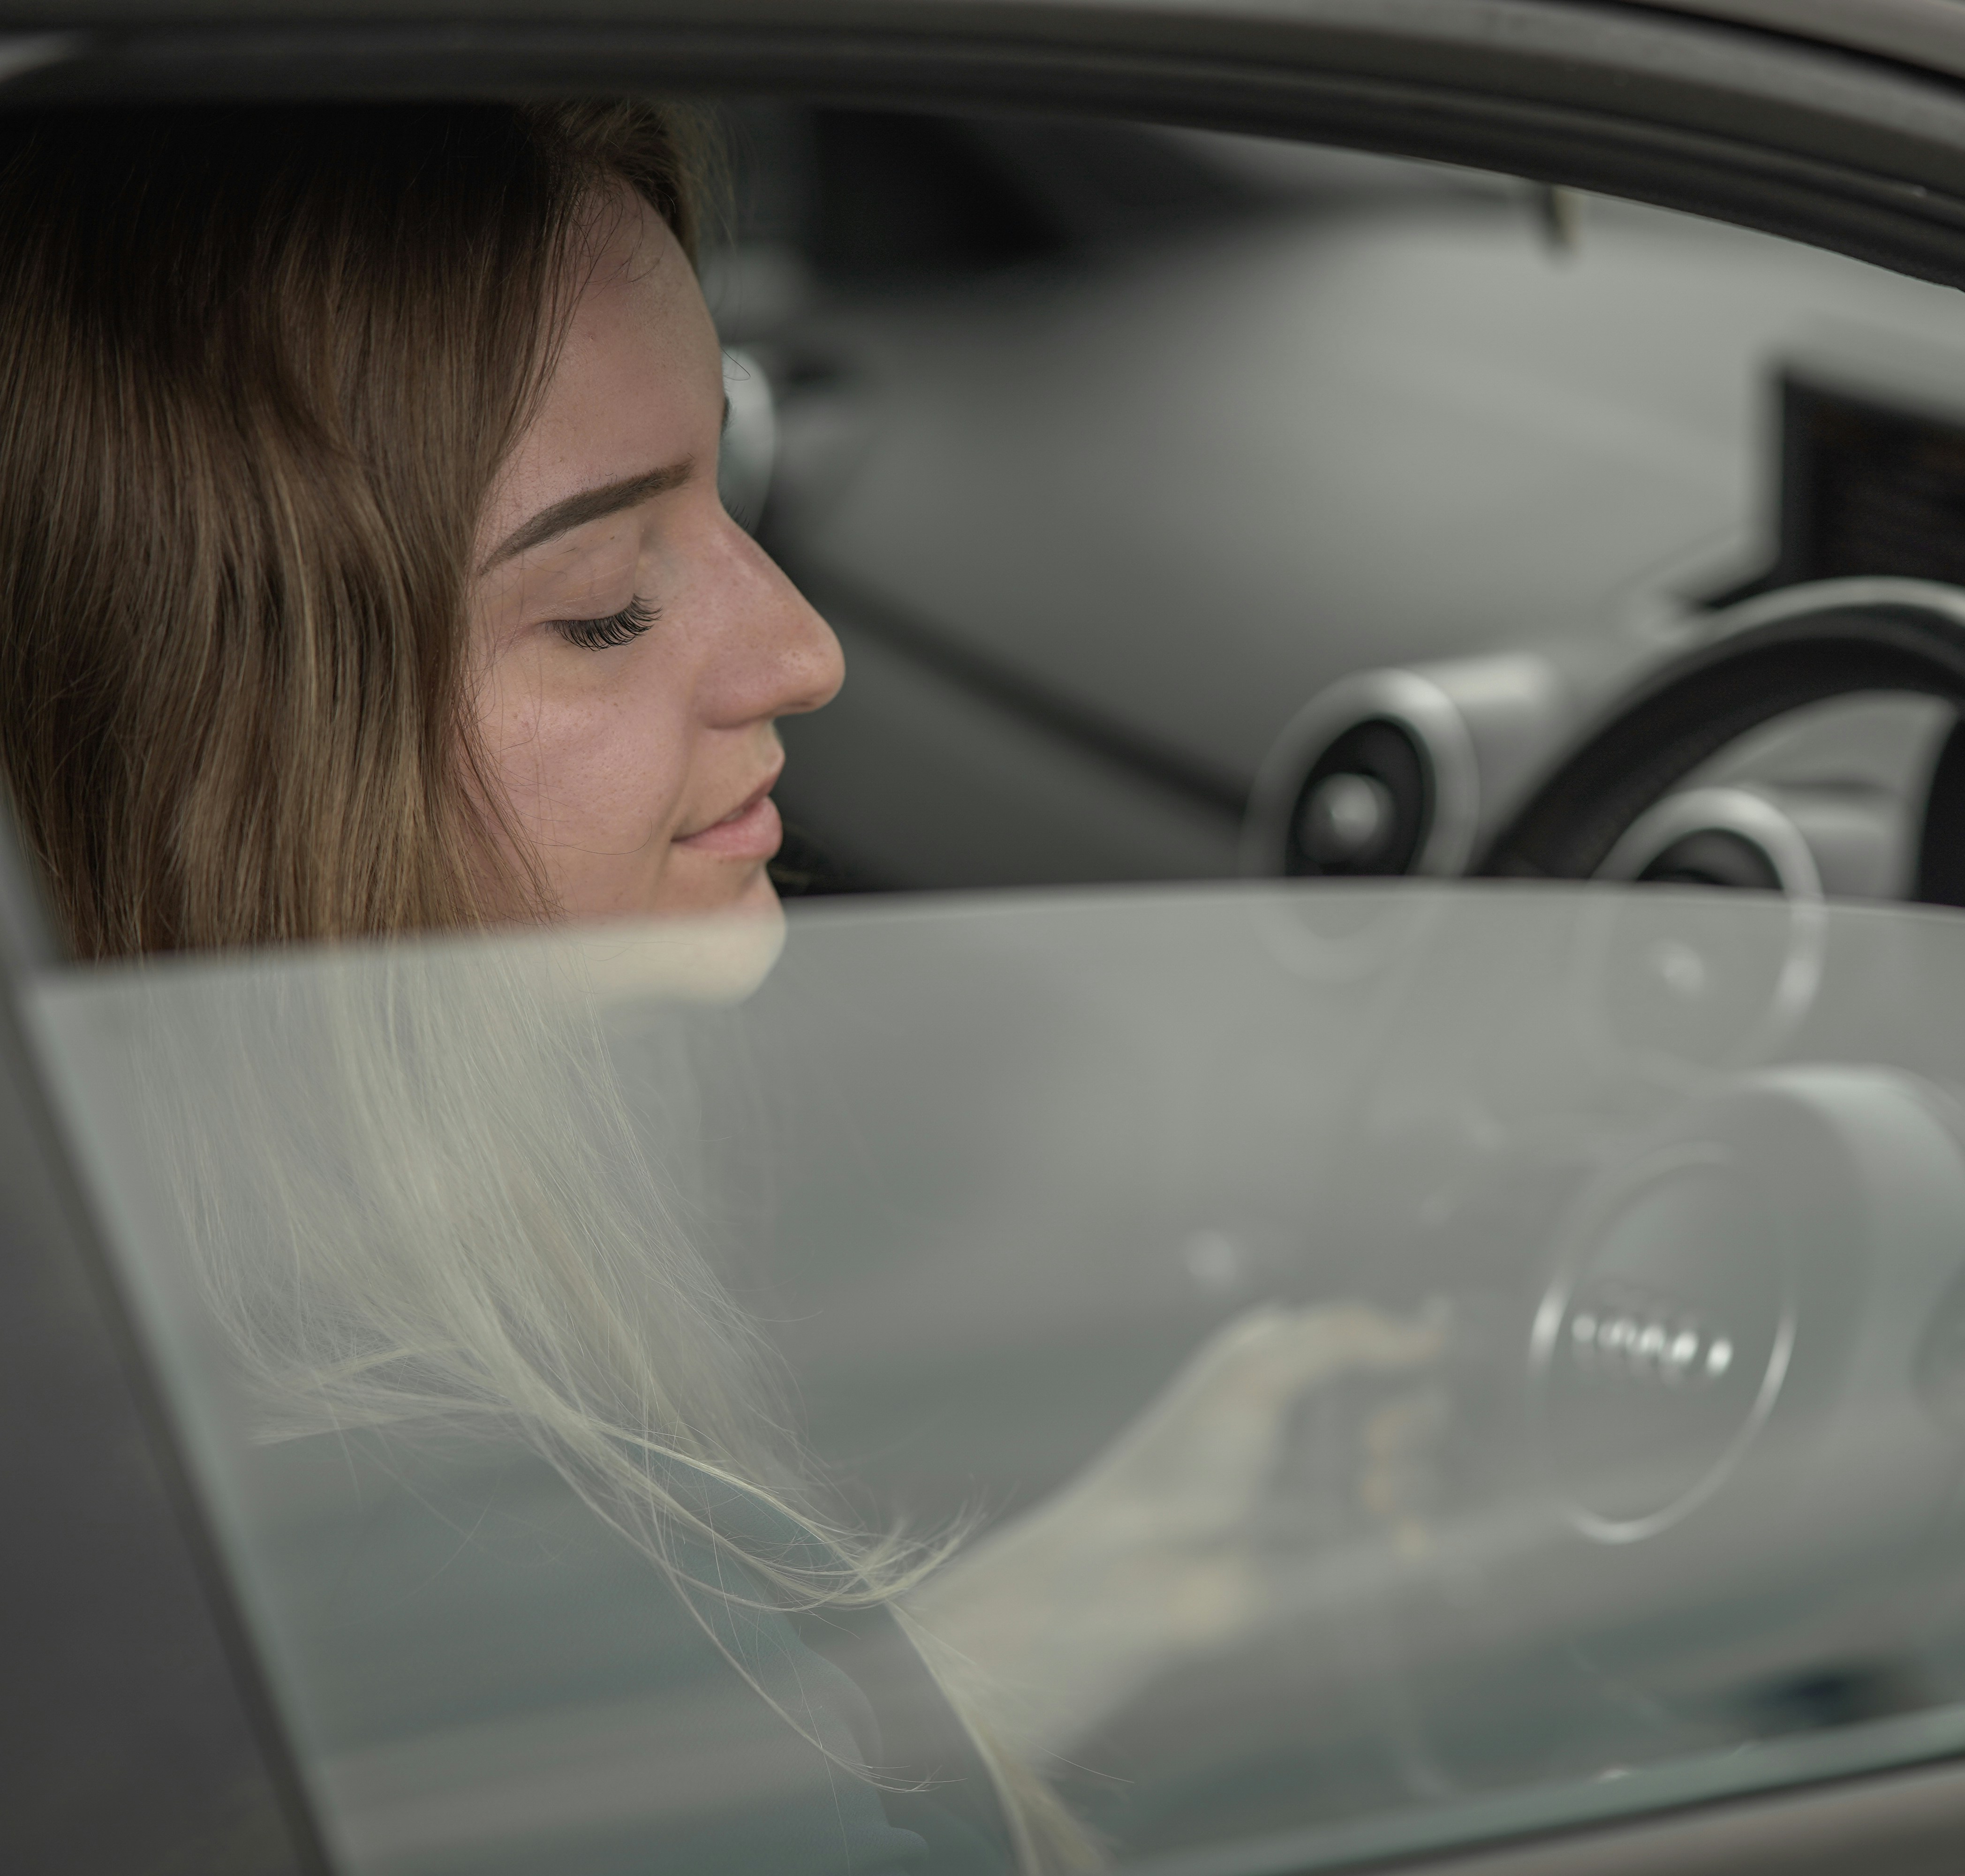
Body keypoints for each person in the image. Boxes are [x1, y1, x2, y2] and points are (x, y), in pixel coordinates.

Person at [0, 101, 1433, 1875]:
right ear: (229, 748)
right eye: (605, 604)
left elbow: (672, 1765)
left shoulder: (215, 1399)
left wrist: (1126, 1567)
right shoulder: (467, 1585)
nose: (802, 653)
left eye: (730, 475)